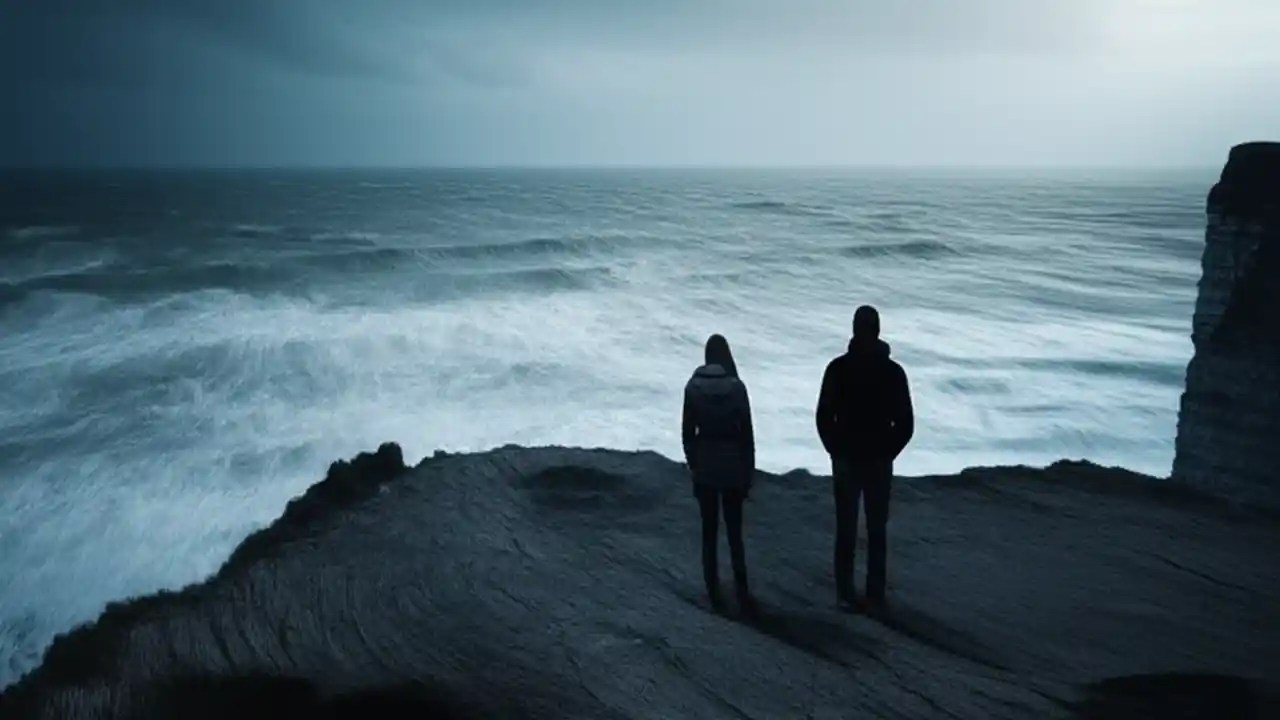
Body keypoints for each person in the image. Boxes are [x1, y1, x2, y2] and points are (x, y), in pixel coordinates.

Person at [816, 305, 913, 614]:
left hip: (847, 459)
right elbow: (906, 424)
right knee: (876, 530)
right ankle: (875, 593)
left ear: (855, 329)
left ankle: (845, 593)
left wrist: (834, 448)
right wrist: (888, 451)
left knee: (846, 528)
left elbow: (823, 416)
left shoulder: (838, 368)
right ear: (878, 330)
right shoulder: (893, 372)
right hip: (877, 460)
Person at [682, 334, 756, 614]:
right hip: (733, 463)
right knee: (735, 532)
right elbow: (747, 435)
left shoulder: (693, 388)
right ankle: (742, 589)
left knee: (709, 532)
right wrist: (747, 470)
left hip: (706, 464)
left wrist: (694, 463)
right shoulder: (737, 388)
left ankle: (712, 588)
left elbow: (688, 433)